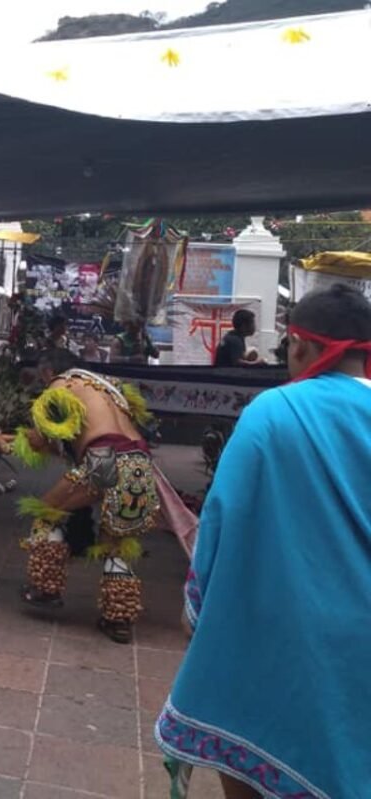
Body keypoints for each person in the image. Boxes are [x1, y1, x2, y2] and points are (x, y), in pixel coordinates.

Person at [156, 284, 371, 799]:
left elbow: (223, 518)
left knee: (258, 763)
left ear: (298, 345)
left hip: (279, 639)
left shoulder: (272, 413)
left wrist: (197, 608)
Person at [1, 348, 197, 644]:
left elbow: (40, 439)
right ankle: (118, 620)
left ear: (47, 372)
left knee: (47, 511)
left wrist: (4, 442)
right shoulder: (110, 386)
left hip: (103, 458)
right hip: (139, 463)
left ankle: (46, 587)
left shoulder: (61, 385)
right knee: (116, 542)